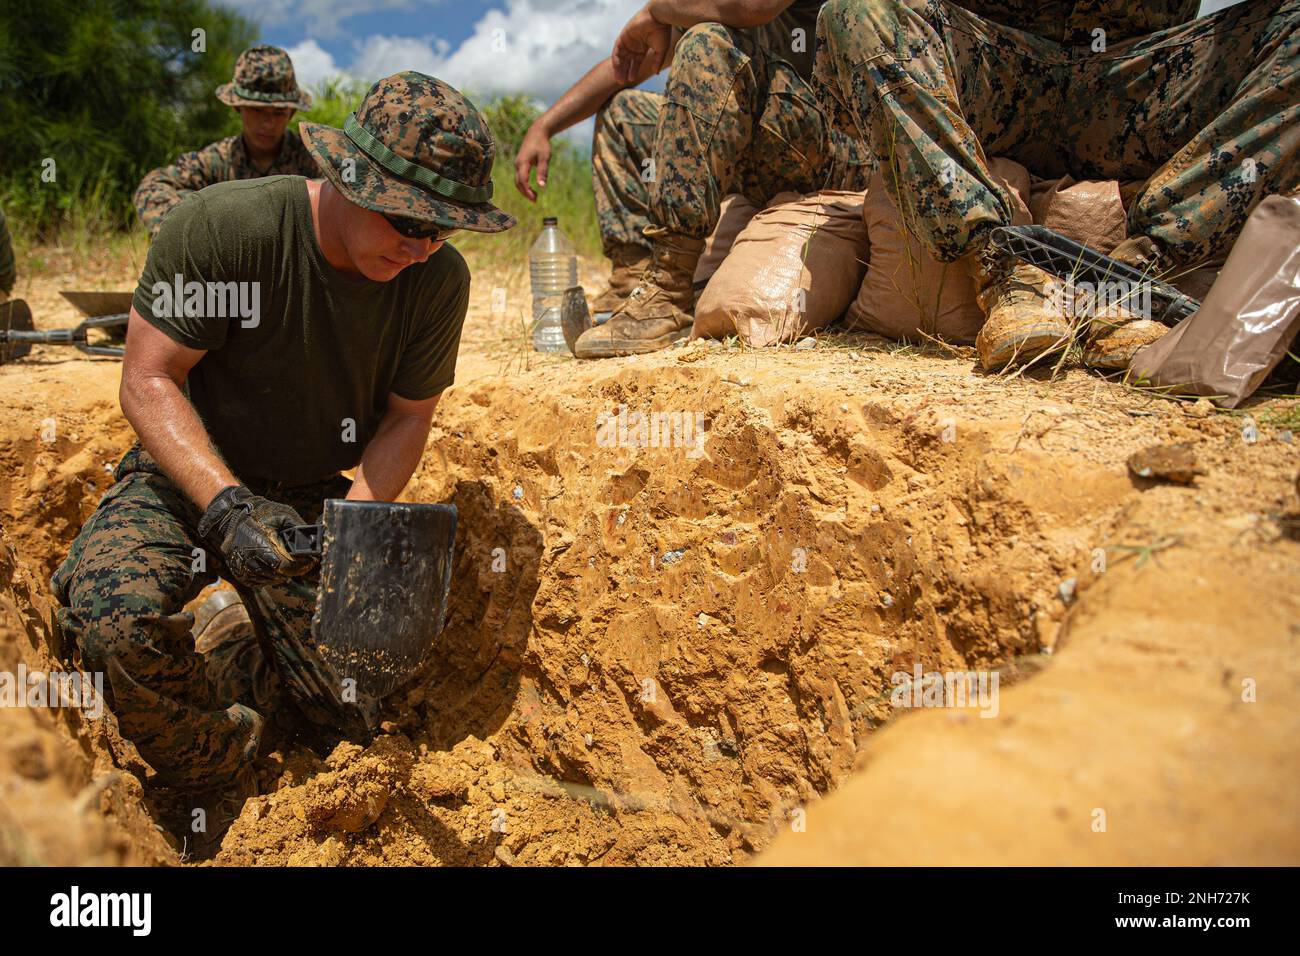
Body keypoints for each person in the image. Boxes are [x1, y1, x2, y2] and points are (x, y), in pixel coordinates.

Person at [53, 72, 514, 855]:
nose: (418, 245)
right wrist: (227, 509)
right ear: (345, 176)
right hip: (185, 477)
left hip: (308, 496)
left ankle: (234, 640)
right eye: (404, 218)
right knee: (113, 620)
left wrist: (352, 523)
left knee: (345, 713)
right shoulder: (229, 230)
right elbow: (147, 380)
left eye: (443, 229)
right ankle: (214, 765)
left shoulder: (435, 282)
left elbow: (408, 416)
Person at [812, 0, 1300, 369]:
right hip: (999, 70)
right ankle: (1004, 268)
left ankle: (1133, 279)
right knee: (860, 10)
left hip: (1136, 79)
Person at [514, 0, 873, 357]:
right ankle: (633, 281)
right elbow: (625, 66)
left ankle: (670, 290)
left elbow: (752, 7)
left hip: (836, 149)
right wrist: (544, 126)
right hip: (765, 144)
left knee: (707, 43)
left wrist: (655, 11)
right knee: (624, 114)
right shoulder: (700, 7)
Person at [133, 45, 320, 237]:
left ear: (291, 113)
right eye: (256, 110)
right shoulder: (218, 159)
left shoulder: (313, 158)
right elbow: (153, 187)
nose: (268, 123)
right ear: (238, 107)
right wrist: (200, 228)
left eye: (279, 113)